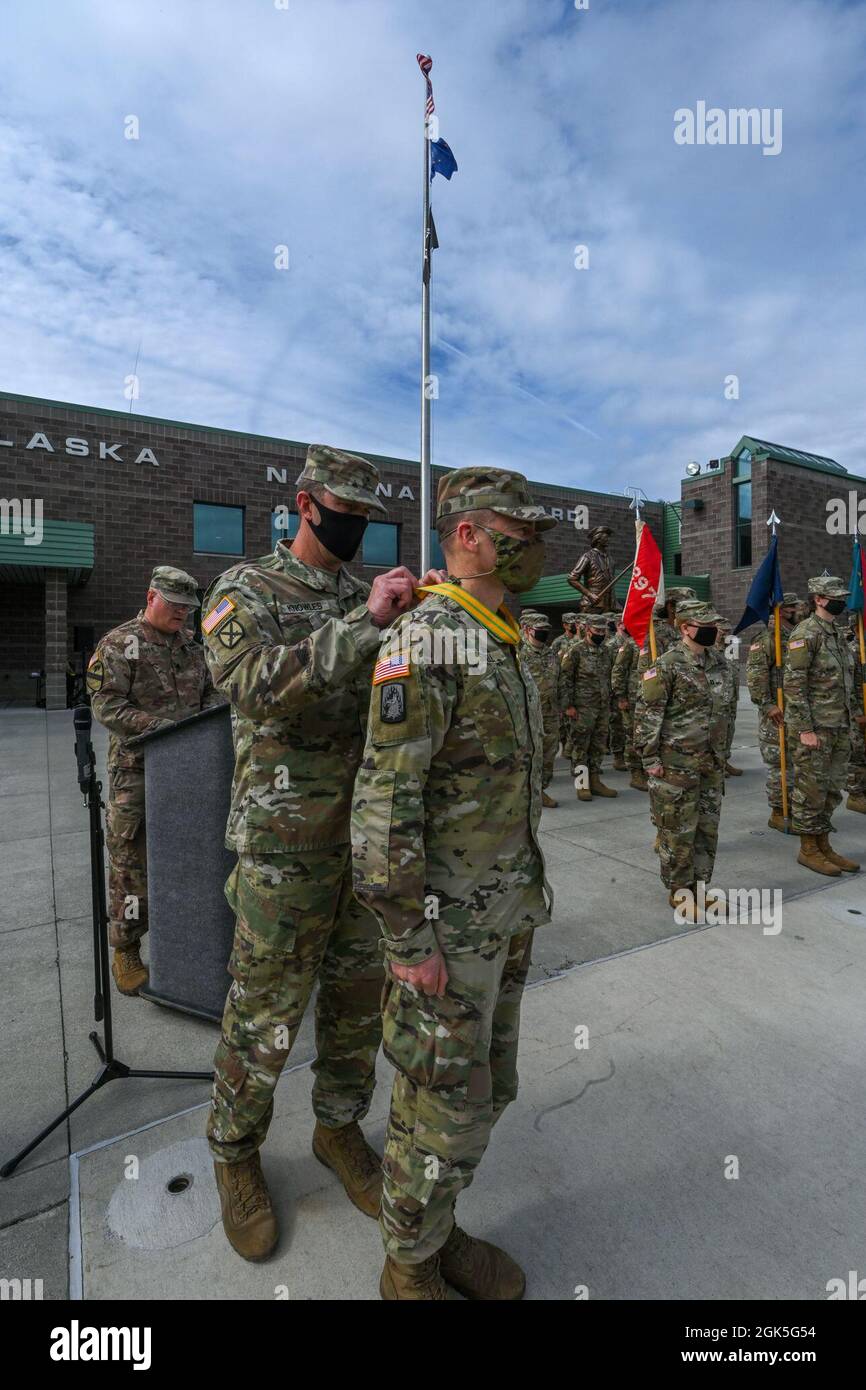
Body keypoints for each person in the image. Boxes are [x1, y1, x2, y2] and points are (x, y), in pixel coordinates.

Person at [200, 444, 444, 1262]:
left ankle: (338, 1132)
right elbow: (254, 685)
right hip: (283, 853)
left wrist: (420, 625)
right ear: (305, 503)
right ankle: (235, 1153)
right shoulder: (246, 591)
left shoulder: (361, 595)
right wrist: (366, 623)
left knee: (352, 1011)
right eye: (344, 511)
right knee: (262, 1018)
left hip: (363, 850)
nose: (355, 527)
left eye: (368, 517)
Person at [351, 466, 555, 1300]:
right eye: (515, 524)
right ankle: (409, 1266)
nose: (531, 539)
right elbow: (384, 800)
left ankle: (435, 1229)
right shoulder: (431, 636)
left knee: (487, 1091)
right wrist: (409, 938)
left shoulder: (498, 634)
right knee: (441, 1102)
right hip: (445, 935)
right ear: (467, 533)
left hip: (502, 915)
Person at [88, 566, 222, 995]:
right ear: (151, 597)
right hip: (137, 769)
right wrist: (162, 729)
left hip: (189, 768)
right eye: (175, 605)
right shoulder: (119, 644)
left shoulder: (191, 647)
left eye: (189, 608)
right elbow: (106, 704)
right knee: (130, 861)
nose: (183, 613)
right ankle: (126, 948)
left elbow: (210, 695)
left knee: (186, 856)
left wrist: (208, 723)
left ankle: (184, 942)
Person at [634, 600, 734, 919]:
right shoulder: (665, 665)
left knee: (707, 829)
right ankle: (679, 891)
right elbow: (648, 715)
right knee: (677, 830)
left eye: (713, 625)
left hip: (710, 762)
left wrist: (724, 752)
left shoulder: (720, 663)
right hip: (676, 764)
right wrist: (650, 759)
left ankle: (699, 886)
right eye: (704, 625)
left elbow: (726, 712)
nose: (712, 630)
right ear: (685, 627)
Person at [783, 576, 862, 876]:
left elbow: (847, 681)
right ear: (818, 598)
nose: (841, 601)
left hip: (839, 725)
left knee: (831, 789)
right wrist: (805, 729)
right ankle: (808, 848)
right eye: (835, 596)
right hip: (815, 727)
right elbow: (794, 683)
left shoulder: (838, 635)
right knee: (810, 789)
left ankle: (824, 843)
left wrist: (853, 716)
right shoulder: (806, 633)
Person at [746, 592, 800, 831]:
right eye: (793, 607)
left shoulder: (798, 636)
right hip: (776, 714)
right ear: (781, 611)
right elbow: (756, 677)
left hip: (797, 713)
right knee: (780, 766)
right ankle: (779, 811)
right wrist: (767, 705)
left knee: (797, 765)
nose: (799, 610)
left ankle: (795, 807)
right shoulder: (768, 638)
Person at [559, 612, 617, 800]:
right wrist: (568, 705)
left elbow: (611, 677)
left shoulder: (607, 651)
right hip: (582, 707)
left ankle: (595, 780)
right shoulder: (576, 651)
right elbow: (565, 679)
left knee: (598, 745)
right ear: (587, 630)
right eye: (597, 630)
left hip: (602, 706)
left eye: (604, 630)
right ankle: (582, 784)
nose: (601, 633)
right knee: (580, 746)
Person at [519, 611, 559, 807]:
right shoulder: (519, 653)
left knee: (550, 752)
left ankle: (541, 789)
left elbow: (558, 680)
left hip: (550, 711)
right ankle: (527, 792)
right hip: (529, 712)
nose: (544, 634)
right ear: (527, 630)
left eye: (546, 631)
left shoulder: (550, 652)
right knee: (530, 753)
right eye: (540, 630)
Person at [611, 626, 646, 790]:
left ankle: (647, 769)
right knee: (633, 735)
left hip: (651, 698)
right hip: (633, 698)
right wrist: (621, 696)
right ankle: (636, 773)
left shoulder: (654, 642)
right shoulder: (631, 644)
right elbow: (618, 670)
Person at [713, 618, 743, 776]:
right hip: (717, 698)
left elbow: (734, 669)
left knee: (729, 729)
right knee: (717, 730)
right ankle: (716, 764)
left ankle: (725, 760)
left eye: (727, 631)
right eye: (721, 631)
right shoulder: (708, 648)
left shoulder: (732, 645)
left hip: (731, 695)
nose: (725, 634)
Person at [844, 611, 866, 814]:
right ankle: (855, 794)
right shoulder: (852, 651)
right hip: (858, 712)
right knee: (857, 754)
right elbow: (847, 686)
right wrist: (857, 712)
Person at [568, 525, 614, 611]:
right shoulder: (587, 556)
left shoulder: (610, 558)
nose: (608, 540)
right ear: (598, 539)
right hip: (592, 603)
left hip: (609, 603)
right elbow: (572, 579)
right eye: (606, 538)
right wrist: (589, 594)